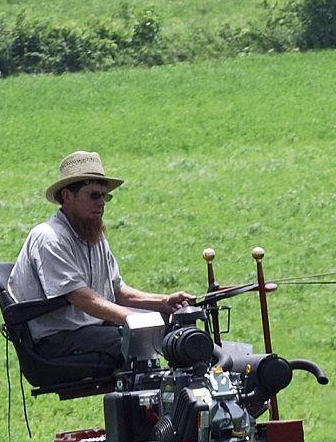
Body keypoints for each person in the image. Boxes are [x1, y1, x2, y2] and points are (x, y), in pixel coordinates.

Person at [10, 152, 196, 367]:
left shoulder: (94, 236)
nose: (102, 203)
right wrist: (134, 320)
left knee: (176, 328)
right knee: (136, 340)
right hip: (56, 339)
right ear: (68, 196)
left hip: (92, 328)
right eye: (94, 196)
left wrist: (163, 302)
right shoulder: (49, 238)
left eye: (104, 196)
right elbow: (79, 297)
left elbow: (118, 291)